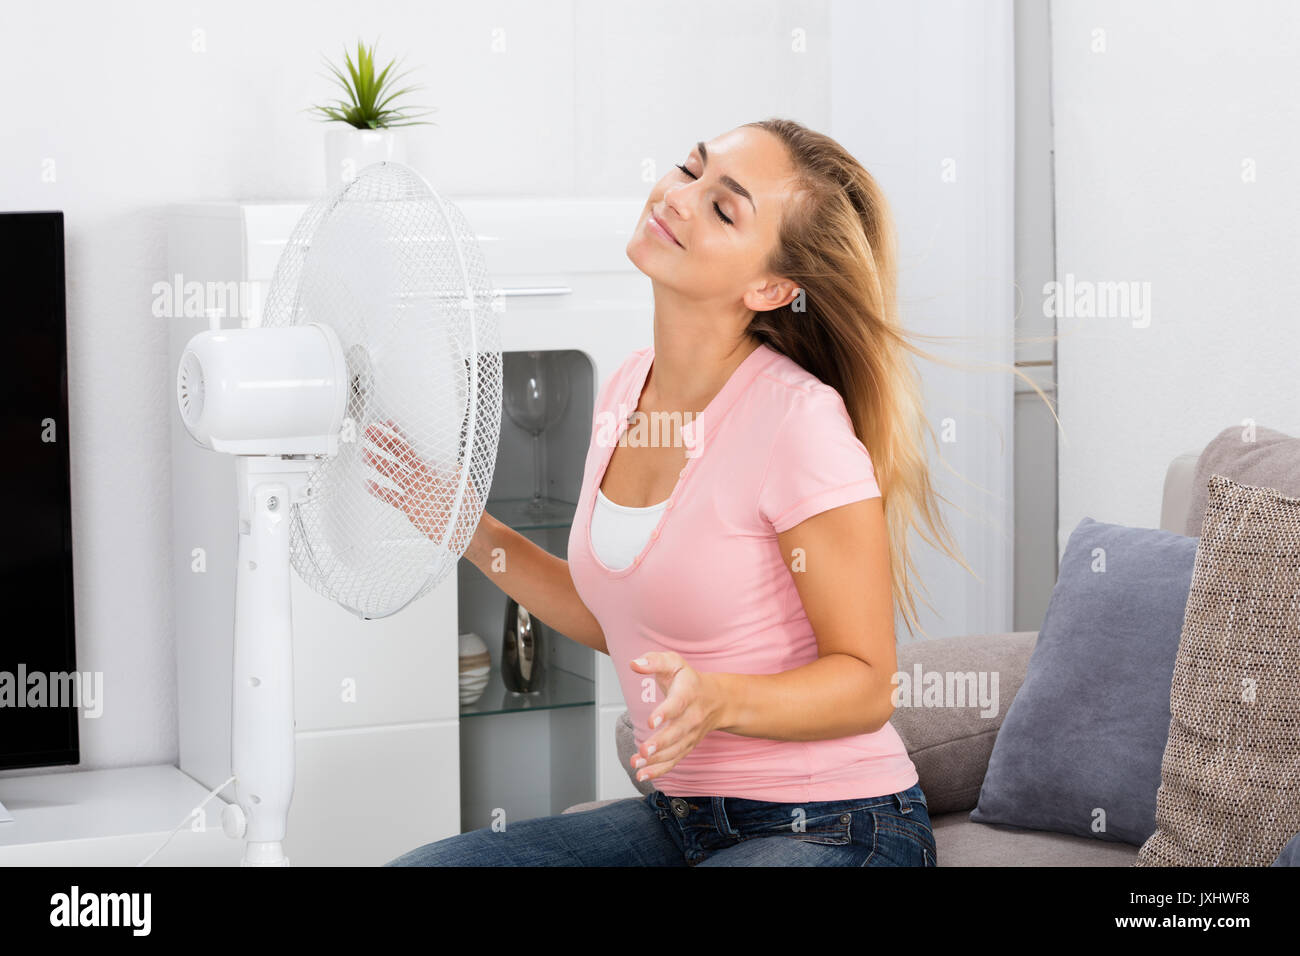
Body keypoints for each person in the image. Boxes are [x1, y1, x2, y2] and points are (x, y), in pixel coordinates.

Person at [369, 119, 1041, 866]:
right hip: (682, 819)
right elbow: (614, 618)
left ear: (772, 286)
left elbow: (867, 683)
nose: (679, 197)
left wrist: (721, 699)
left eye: (724, 209)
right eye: (690, 169)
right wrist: (468, 528)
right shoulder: (626, 388)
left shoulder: (797, 423)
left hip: (836, 823)